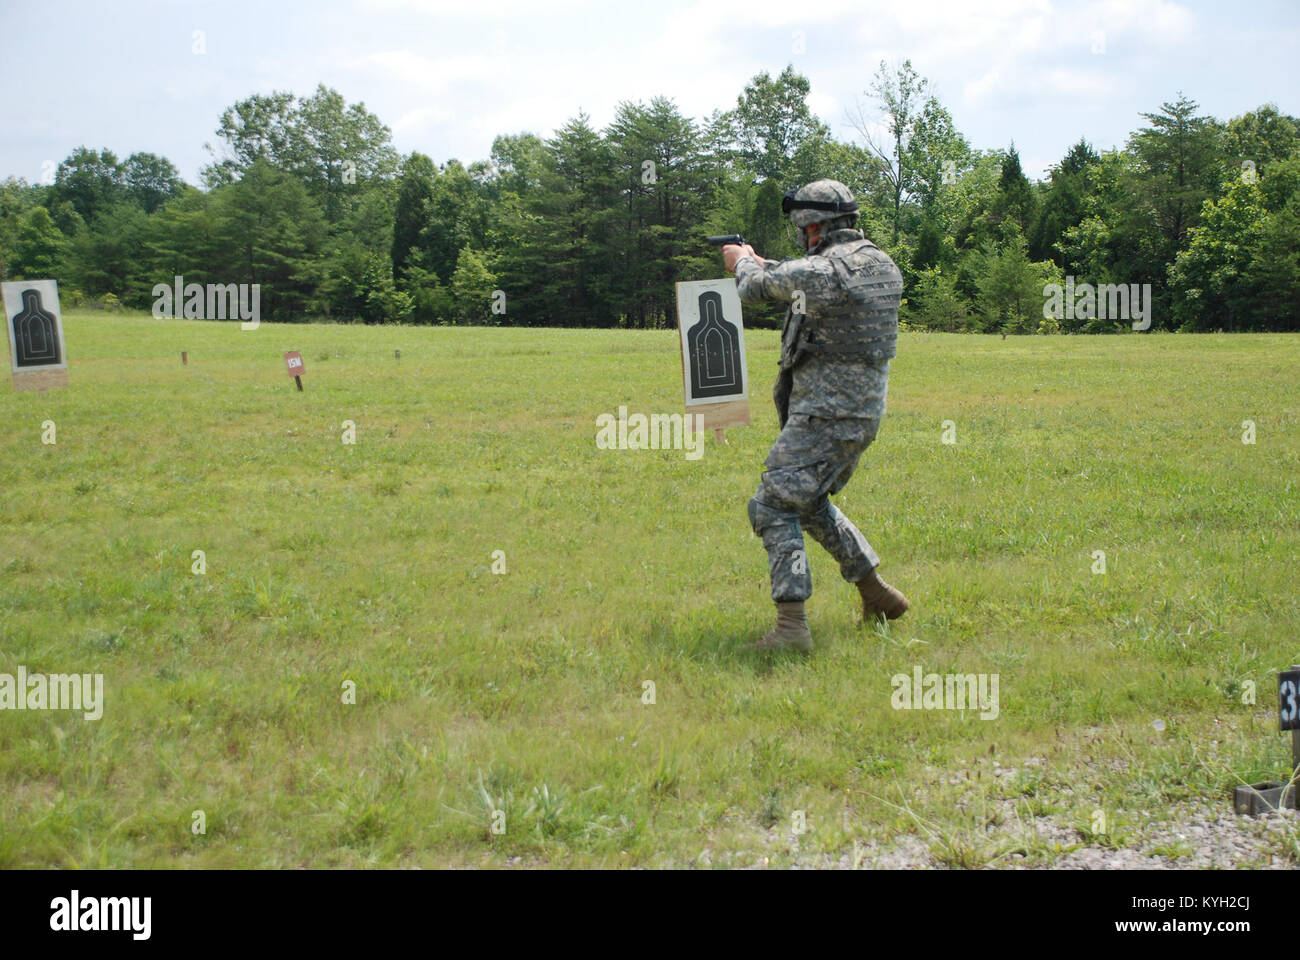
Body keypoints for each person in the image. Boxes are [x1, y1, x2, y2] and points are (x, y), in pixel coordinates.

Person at [721, 179, 909, 652]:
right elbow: (806, 276)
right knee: (809, 502)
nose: (804, 238)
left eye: (805, 230)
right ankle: (877, 594)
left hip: (825, 414)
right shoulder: (879, 264)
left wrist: (740, 259)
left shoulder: (821, 272)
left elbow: (754, 287)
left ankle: (791, 629)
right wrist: (769, 262)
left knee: (772, 505)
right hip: (862, 414)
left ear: (816, 227)